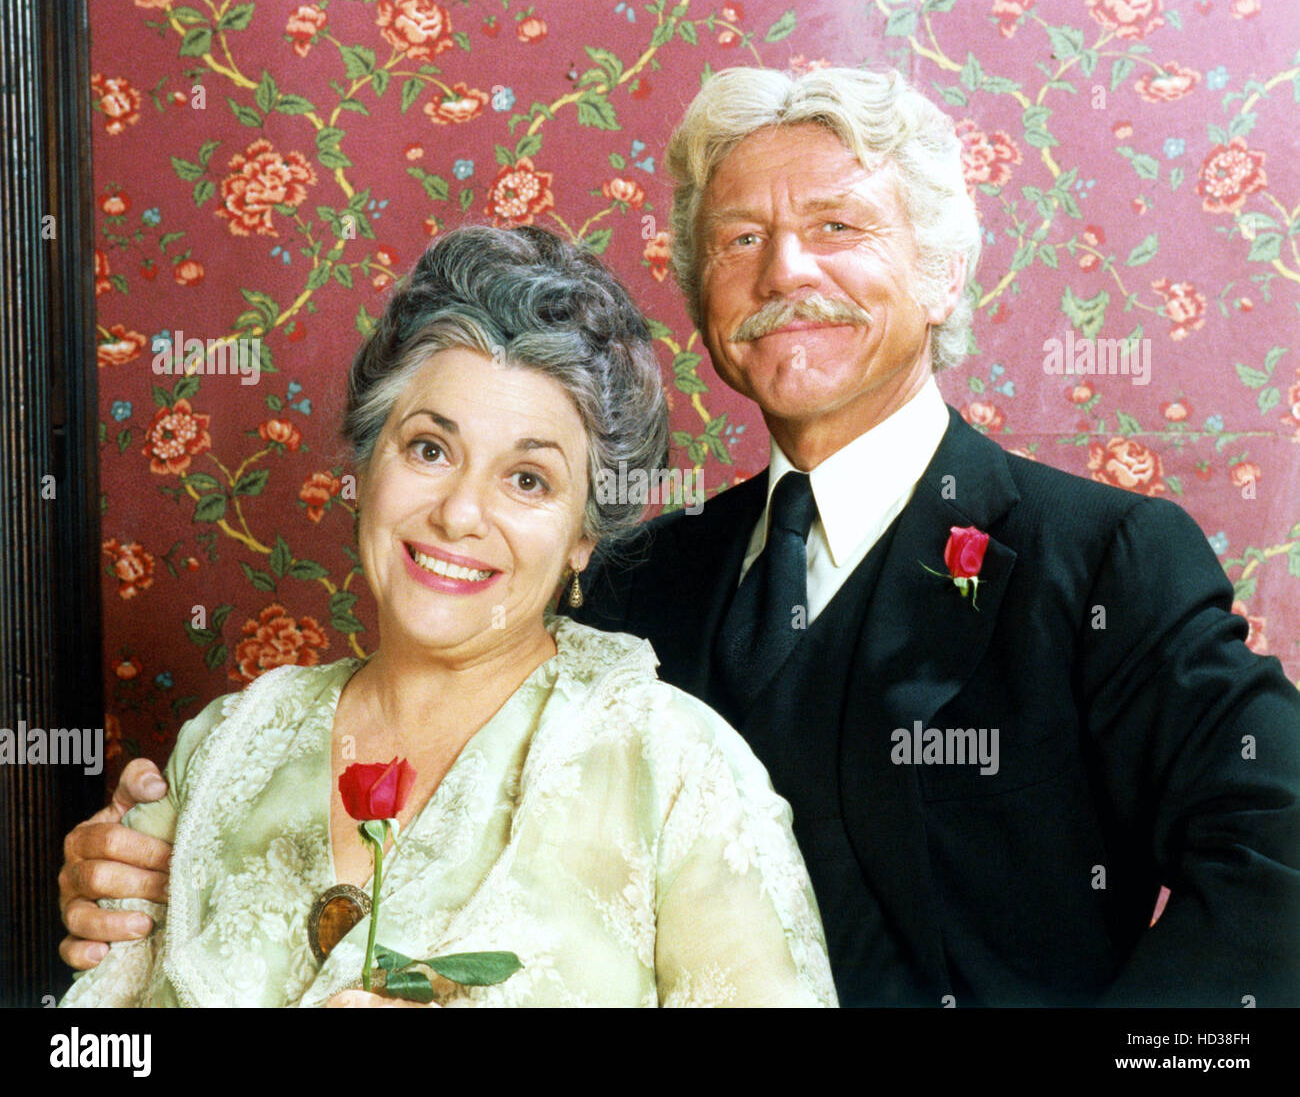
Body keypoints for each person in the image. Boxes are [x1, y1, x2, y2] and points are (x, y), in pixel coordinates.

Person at [63, 66, 1300, 1007]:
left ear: (941, 274)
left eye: (838, 227)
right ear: (703, 299)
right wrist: (161, 865)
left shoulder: (1102, 560)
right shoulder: (630, 576)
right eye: (739, 239)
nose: (784, 269)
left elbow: (1281, 858)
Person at [58, 224, 835, 1007]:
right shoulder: (223, 749)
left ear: (582, 539)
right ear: (370, 462)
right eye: (430, 449)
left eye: (528, 480)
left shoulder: (675, 771)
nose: (459, 513)